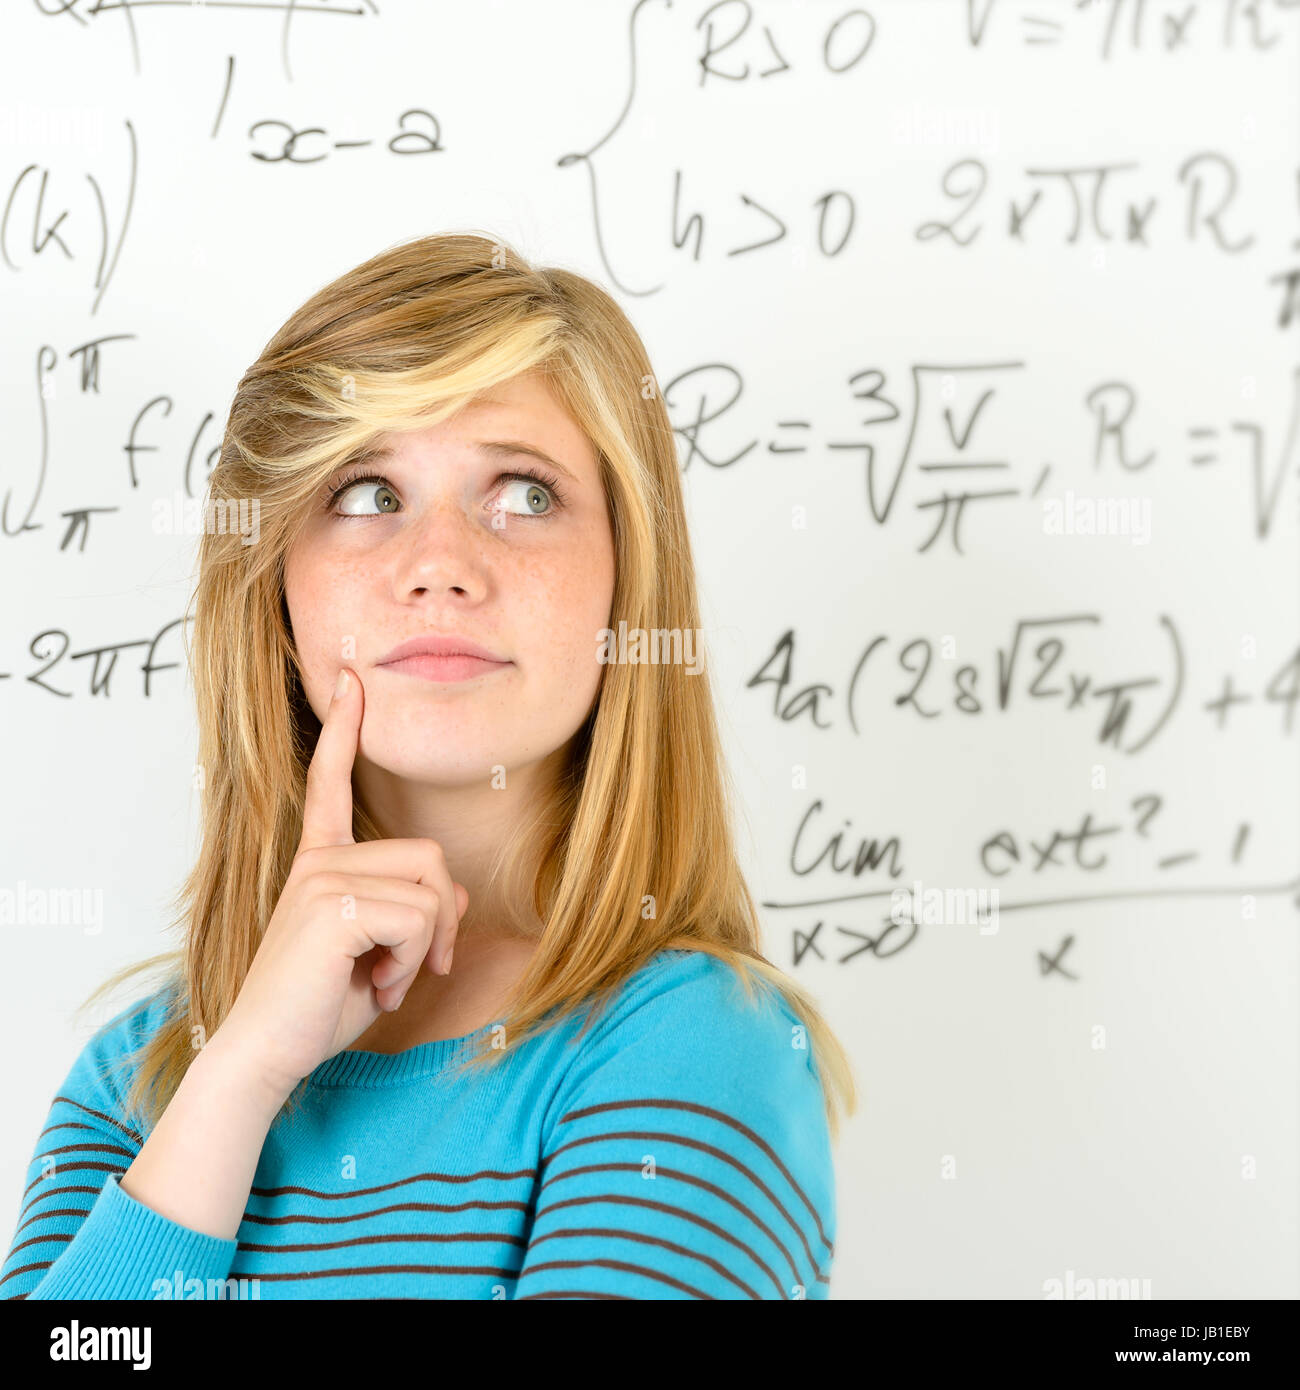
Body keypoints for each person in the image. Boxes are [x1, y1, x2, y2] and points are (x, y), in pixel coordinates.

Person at [2, 231, 856, 1301]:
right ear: (273, 586)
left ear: (624, 585)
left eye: (525, 493)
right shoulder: (141, 1075)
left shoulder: (700, 1042)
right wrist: (239, 1077)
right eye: (366, 492)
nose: (441, 566)